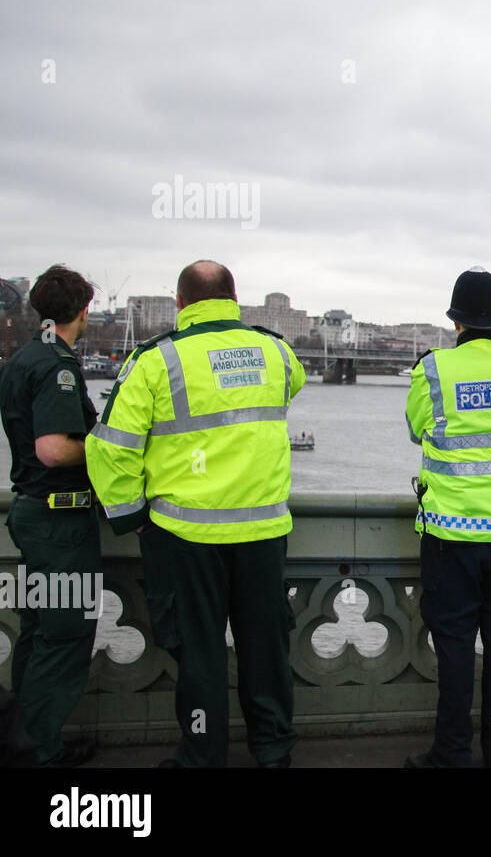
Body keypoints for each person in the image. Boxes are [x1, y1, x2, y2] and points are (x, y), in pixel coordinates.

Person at [86, 260, 304, 767]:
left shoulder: (154, 362)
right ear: (234, 298)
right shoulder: (276, 351)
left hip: (185, 536)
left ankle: (202, 755)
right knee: (265, 649)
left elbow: (110, 450)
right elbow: (288, 389)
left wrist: (130, 516)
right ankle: (273, 752)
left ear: (180, 304)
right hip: (263, 531)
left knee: (200, 652)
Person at [404, 268, 491, 769]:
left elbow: (417, 429)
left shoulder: (433, 370)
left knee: (455, 648)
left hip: (451, 536)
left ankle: (452, 752)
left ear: (455, 321)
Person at [0, 265, 100, 766]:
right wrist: (106, 445)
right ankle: (36, 750)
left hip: (33, 513)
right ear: (83, 311)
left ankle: (21, 735)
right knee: (65, 633)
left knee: (40, 629)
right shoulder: (59, 367)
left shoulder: (22, 359)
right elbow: (55, 450)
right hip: (60, 520)